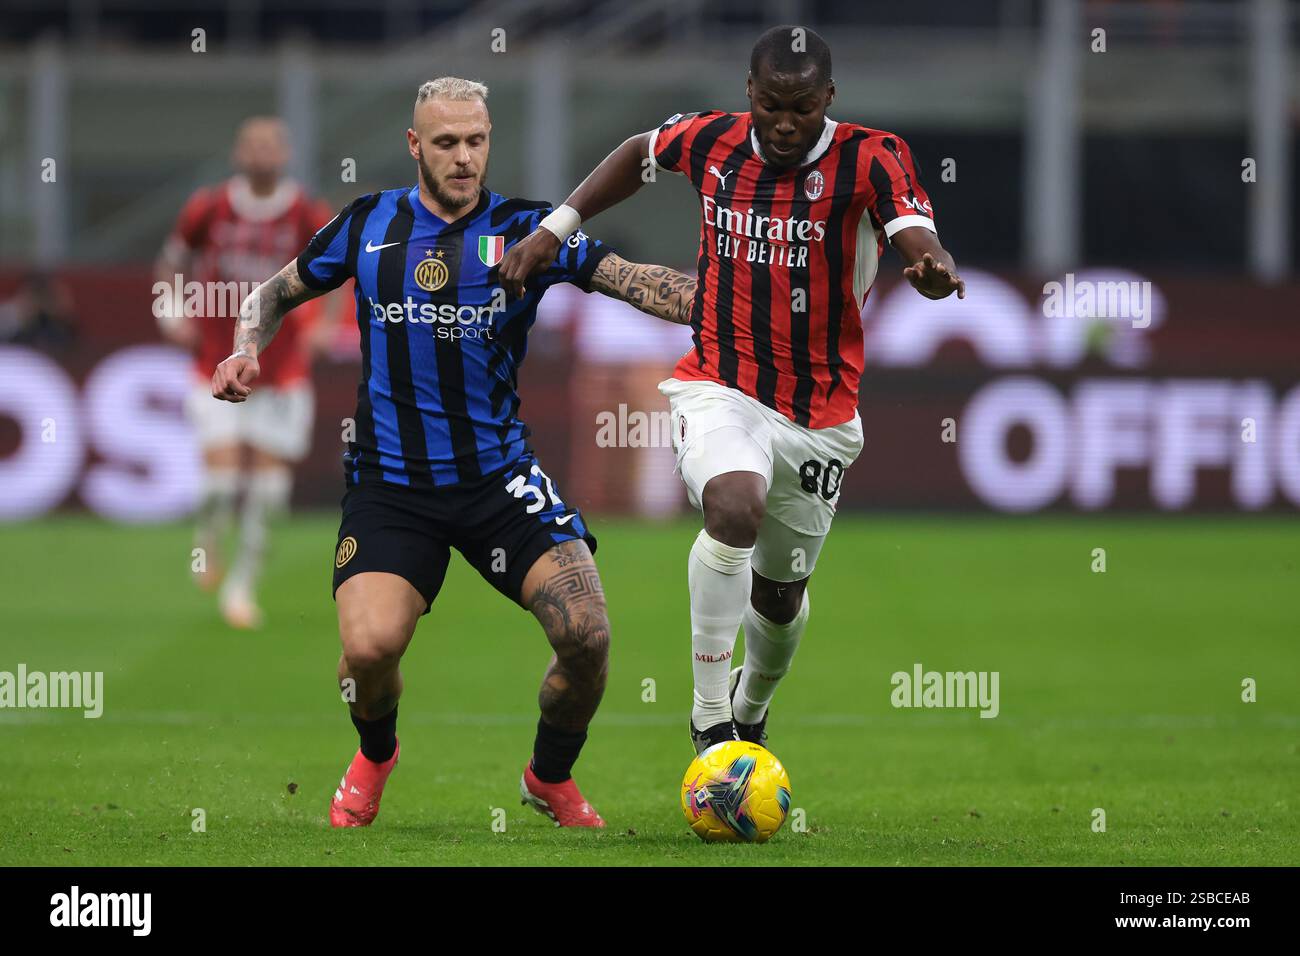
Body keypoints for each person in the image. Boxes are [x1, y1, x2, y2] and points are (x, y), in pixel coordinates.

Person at [210, 77, 696, 827]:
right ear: (415, 146)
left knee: (587, 636)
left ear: (489, 138)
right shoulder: (366, 225)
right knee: (368, 654)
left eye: (475, 140)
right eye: (445, 143)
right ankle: (376, 753)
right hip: (391, 487)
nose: (464, 157)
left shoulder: (530, 231)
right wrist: (245, 351)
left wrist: (722, 302)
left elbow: (634, 283)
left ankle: (548, 777)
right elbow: (272, 294)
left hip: (498, 481)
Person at [500, 26, 966, 754]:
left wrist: (932, 269)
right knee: (733, 505)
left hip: (820, 415)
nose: (785, 124)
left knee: (779, 601)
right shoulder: (711, 140)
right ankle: (711, 721)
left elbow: (915, 235)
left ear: (829, 100)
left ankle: (751, 707)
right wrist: (557, 228)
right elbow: (638, 152)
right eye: (772, 106)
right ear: (749, 93)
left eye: (803, 109)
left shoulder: (873, 157)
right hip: (718, 383)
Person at [155, 117, 336, 629]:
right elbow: (171, 260)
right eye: (252, 146)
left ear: (285, 154)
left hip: (281, 370)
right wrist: (170, 309)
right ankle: (208, 534)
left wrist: (326, 324)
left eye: (270, 145)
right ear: (238, 154)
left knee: (270, 492)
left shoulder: (306, 212)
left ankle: (242, 586)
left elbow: (336, 272)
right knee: (222, 478)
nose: (261, 154)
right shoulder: (208, 207)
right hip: (215, 363)